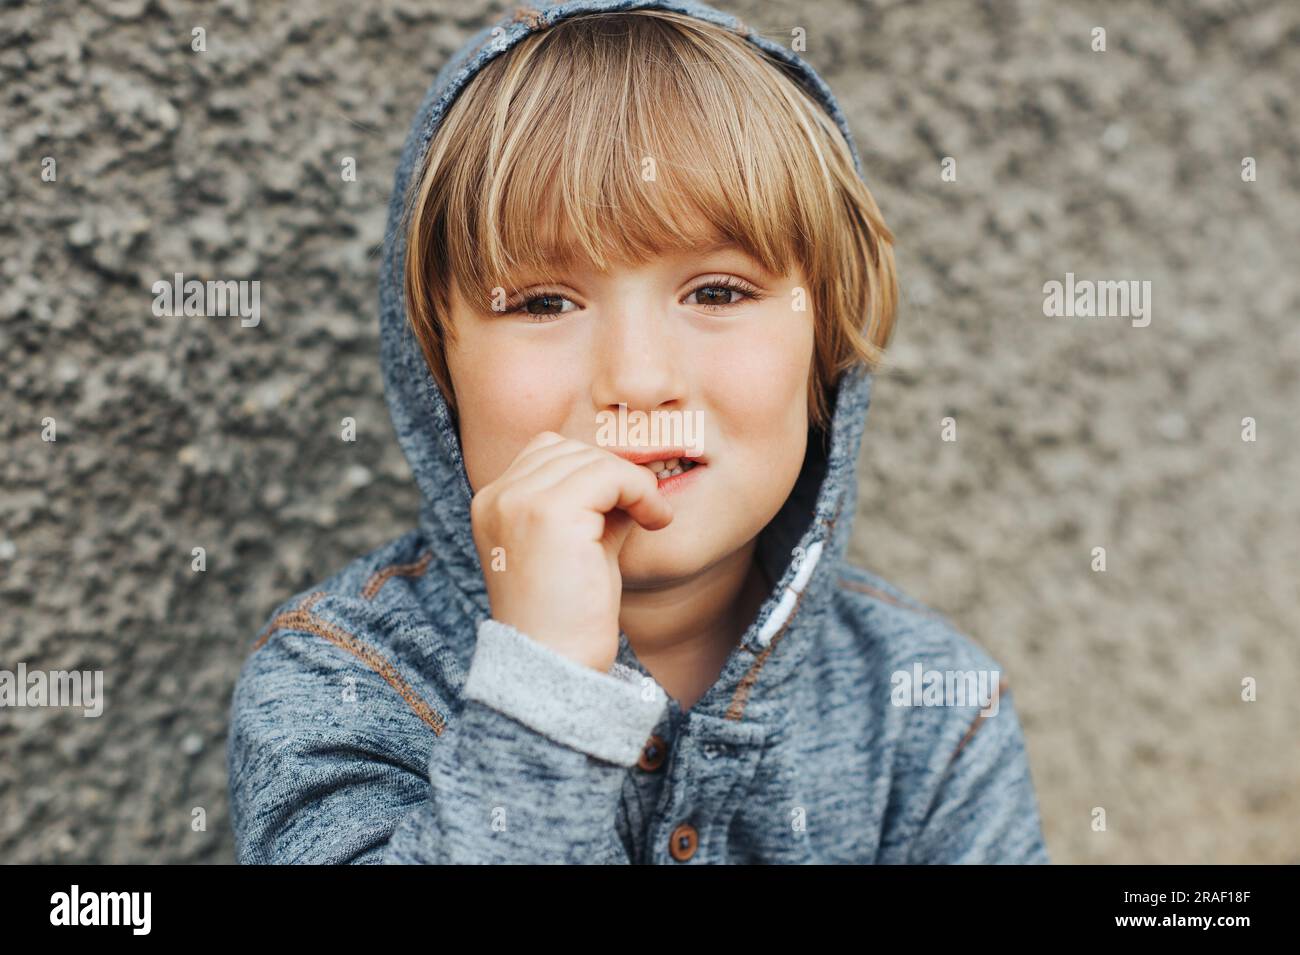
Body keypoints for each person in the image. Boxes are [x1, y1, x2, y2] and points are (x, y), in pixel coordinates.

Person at [227, 0, 1050, 864]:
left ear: (825, 352)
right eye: (544, 302)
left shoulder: (935, 708)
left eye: (719, 292)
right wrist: (544, 695)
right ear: (437, 368)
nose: (638, 377)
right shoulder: (339, 682)